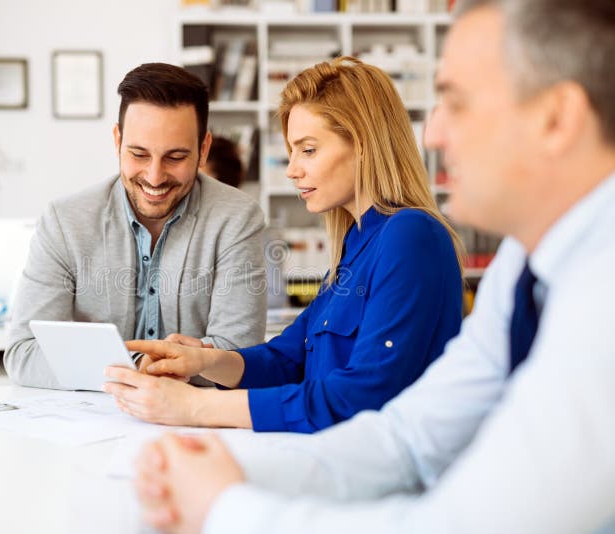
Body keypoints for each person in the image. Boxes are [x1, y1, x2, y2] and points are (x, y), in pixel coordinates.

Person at [132, 0, 615, 532]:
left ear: (556, 118)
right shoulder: (519, 267)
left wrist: (217, 477)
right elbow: (405, 434)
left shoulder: (422, 238)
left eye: (457, 102)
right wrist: (218, 431)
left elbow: (448, 504)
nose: (432, 135)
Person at [104, 57, 465, 433]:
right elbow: (286, 360)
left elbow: (361, 397)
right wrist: (202, 361)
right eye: (292, 151)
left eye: (308, 150)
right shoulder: (357, 245)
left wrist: (196, 406)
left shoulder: (411, 236)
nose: (292, 169)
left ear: (363, 145)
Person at [4, 63, 267, 389]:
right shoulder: (65, 222)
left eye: (175, 157)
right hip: (90, 423)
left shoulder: (238, 219)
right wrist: (137, 365)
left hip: (195, 425)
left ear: (203, 149)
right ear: (117, 140)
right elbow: (24, 352)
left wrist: (105, 365)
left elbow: (240, 358)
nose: (154, 177)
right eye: (139, 154)